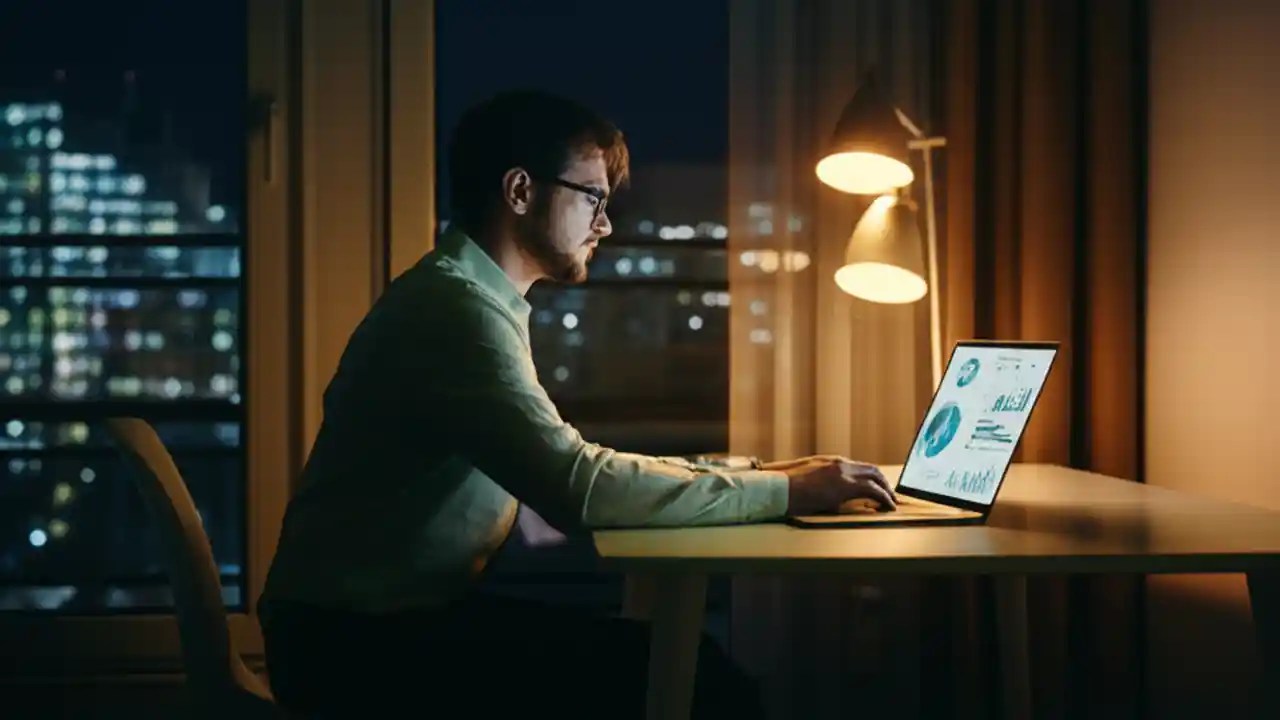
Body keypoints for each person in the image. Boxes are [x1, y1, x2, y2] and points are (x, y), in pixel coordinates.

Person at [256, 89, 897, 718]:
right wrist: (785, 492)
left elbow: (573, 467)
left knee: (678, 666)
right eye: (592, 196)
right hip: (354, 647)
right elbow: (578, 488)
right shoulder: (456, 313)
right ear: (519, 191)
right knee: (700, 681)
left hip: (377, 623)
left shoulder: (469, 298)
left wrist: (765, 476)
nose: (605, 223)